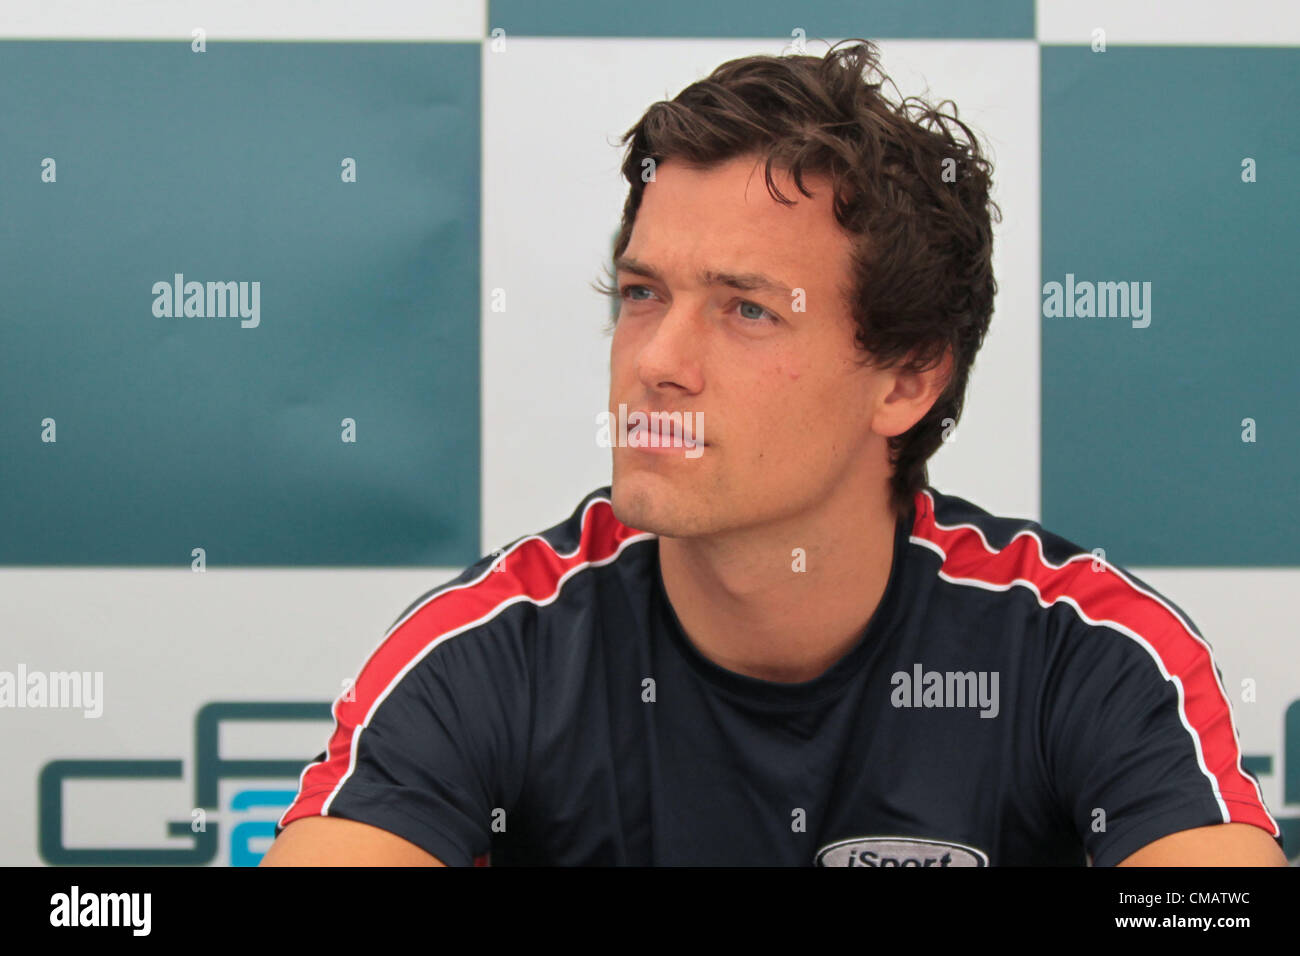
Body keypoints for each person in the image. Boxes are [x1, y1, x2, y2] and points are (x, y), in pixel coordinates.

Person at [262, 39, 1285, 866]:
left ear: (907, 377)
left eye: (747, 309)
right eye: (642, 294)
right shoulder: (495, 645)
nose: (654, 362)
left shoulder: (1081, 645)